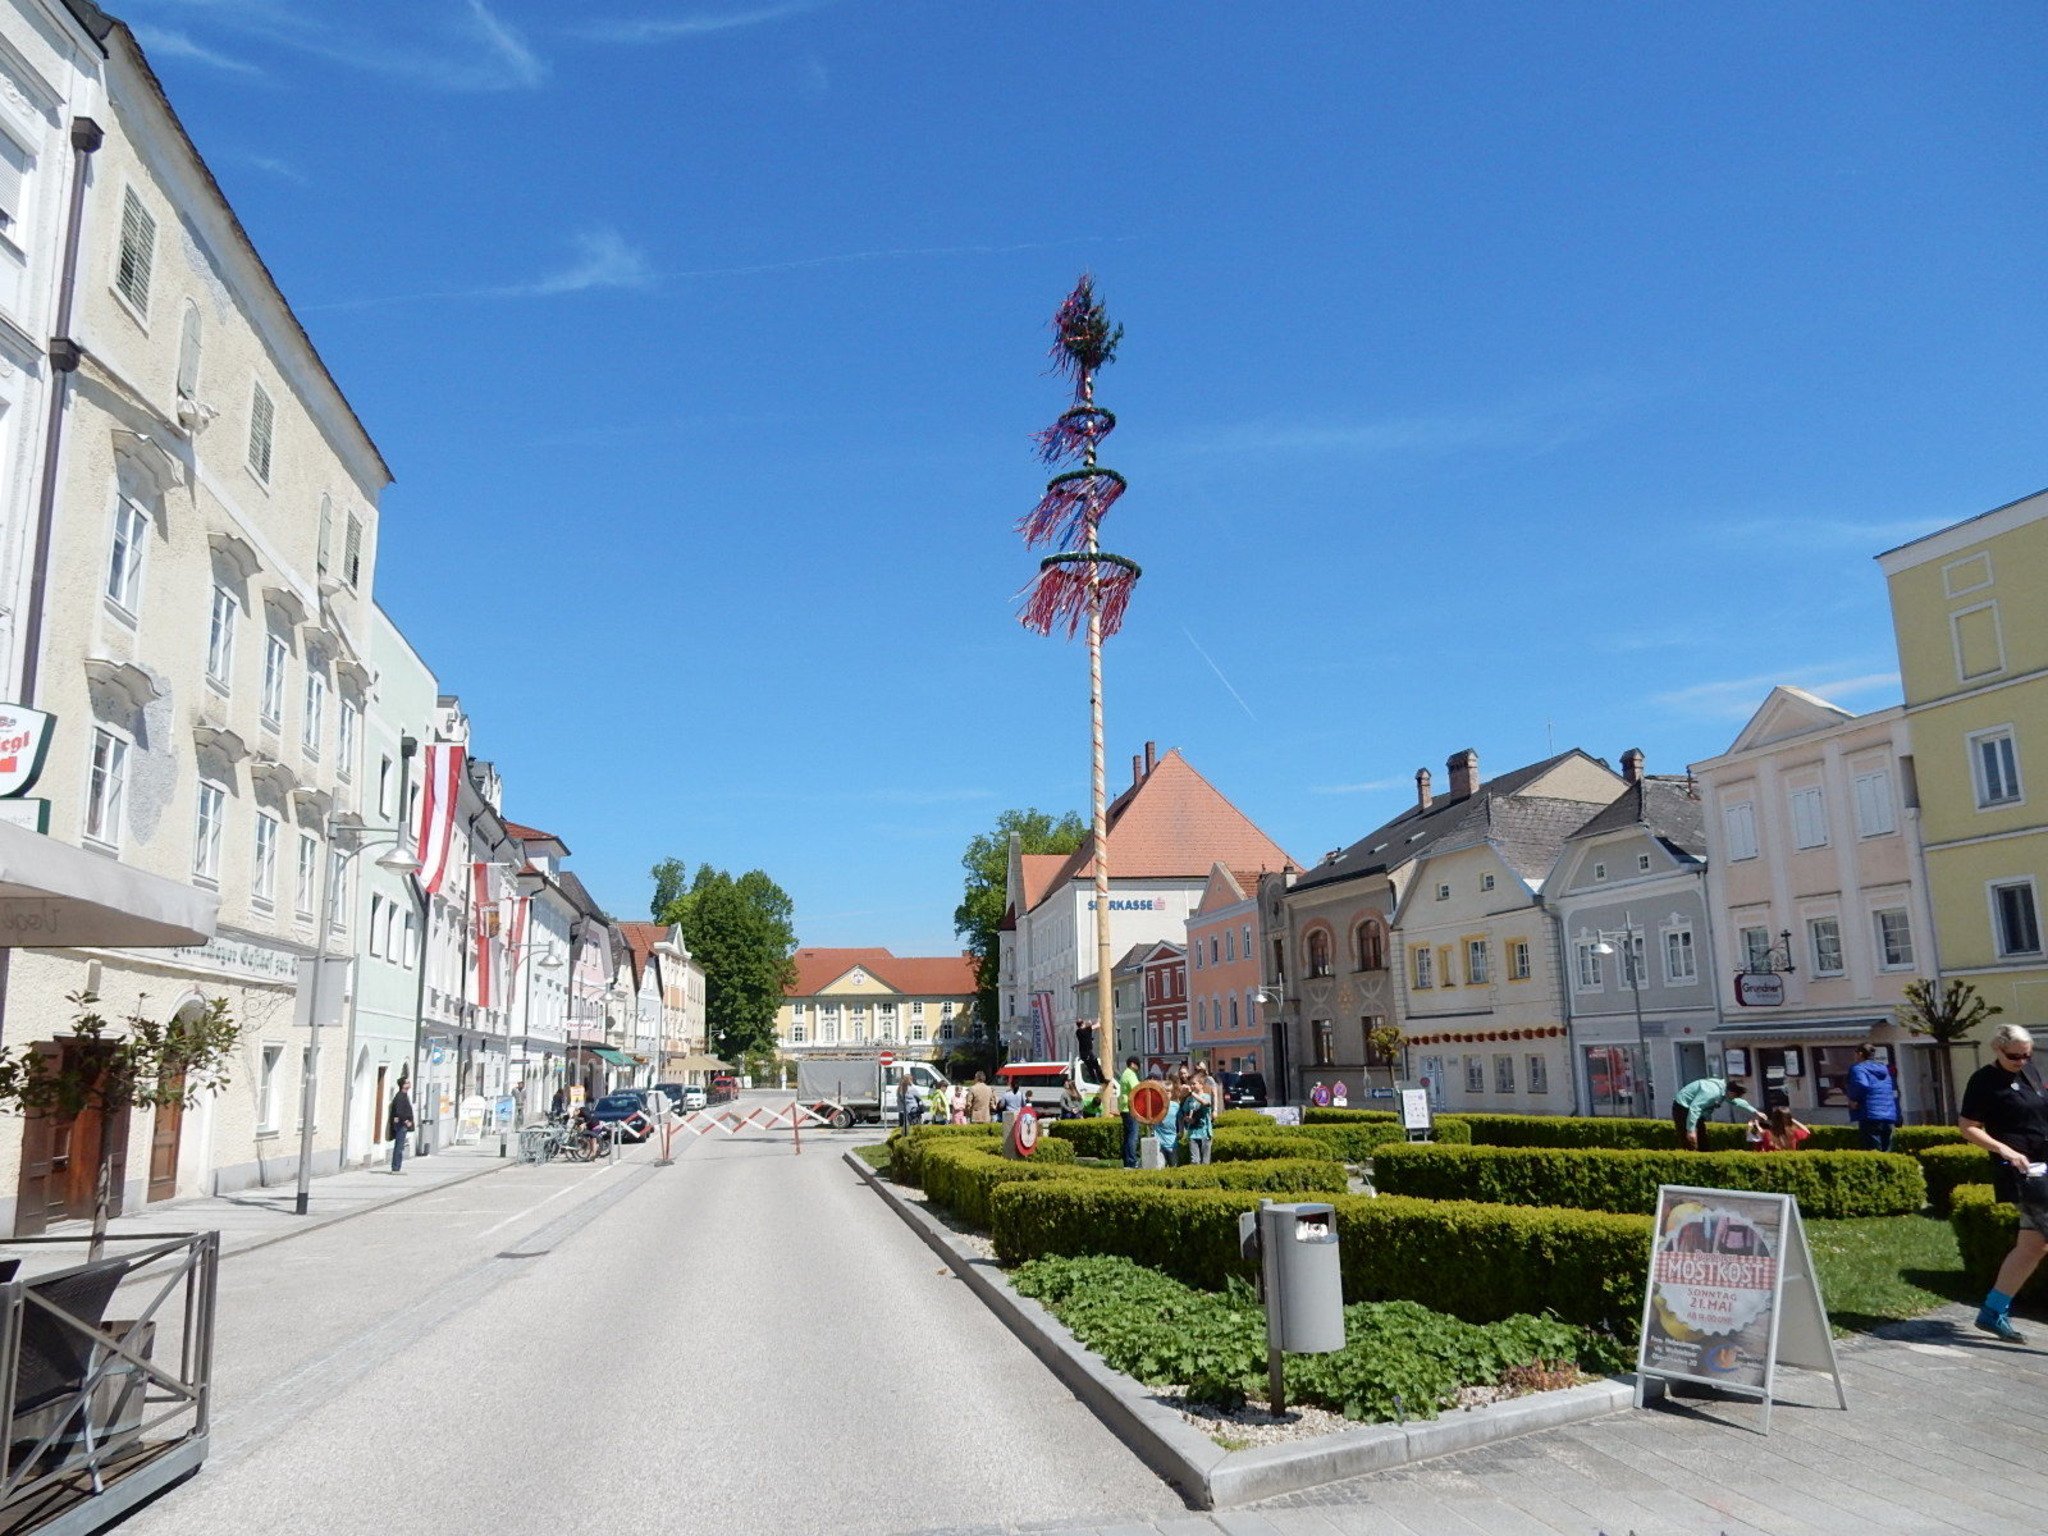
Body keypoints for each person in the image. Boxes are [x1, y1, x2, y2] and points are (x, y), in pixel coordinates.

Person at [1959, 1023, 2048, 1342]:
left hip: (2043, 1166)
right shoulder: (1983, 1081)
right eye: (2015, 1056)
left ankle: (1992, 1312)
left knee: (2033, 1246)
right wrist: (2005, 1150)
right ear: (1997, 1048)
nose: (2022, 1061)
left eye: (2027, 1055)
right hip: (2020, 1173)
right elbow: (1968, 1127)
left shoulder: (2031, 1072)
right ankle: (1993, 1313)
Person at [1670, 1075, 1763, 1150]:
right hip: (1682, 1107)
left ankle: (1704, 1159)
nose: (1736, 1098)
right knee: (1690, 1140)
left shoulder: (1724, 1090)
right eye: (1736, 1096)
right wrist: (1690, 1130)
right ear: (1732, 1093)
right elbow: (1695, 1108)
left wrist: (1754, 1111)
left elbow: (1736, 1102)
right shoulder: (1712, 1093)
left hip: (1695, 1110)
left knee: (1702, 1140)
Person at [1845, 1044, 1901, 1152]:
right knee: (1887, 1151)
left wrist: (1853, 1099)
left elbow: (1861, 1084)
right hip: (1888, 1114)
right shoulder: (1884, 1068)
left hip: (1869, 1114)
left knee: (1873, 1152)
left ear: (1860, 1054)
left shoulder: (1858, 1068)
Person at [1184, 1064, 1216, 1165]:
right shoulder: (1189, 1099)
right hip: (1193, 1134)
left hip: (1205, 1133)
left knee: (1205, 1161)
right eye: (1191, 1084)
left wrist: (1192, 1094)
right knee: (1194, 1161)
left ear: (1201, 1085)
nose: (1192, 1086)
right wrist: (1186, 1118)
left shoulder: (1206, 1096)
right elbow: (1184, 1111)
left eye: (1194, 1084)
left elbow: (1206, 1104)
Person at [388, 1077, 416, 1173]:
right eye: (408, 1082)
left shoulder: (404, 1096)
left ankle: (397, 1167)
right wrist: (406, 1121)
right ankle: (396, 1168)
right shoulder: (400, 1096)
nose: (409, 1084)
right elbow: (399, 1112)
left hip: (402, 1125)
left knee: (400, 1146)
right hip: (401, 1125)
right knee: (399, 1147)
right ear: (403, 1085)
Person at [1120, 1055, 1142, 1168]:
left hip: (1125, 1108)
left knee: (1128, 1136)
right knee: (1132, 1136)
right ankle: (1131, 1161)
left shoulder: (1125, 1073)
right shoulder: (1130, 1074)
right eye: (1138, 1064)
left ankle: (1127, 1161)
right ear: (1133, 1064)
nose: (1139, 1066)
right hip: (1130, 1108)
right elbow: (1137, 1089)